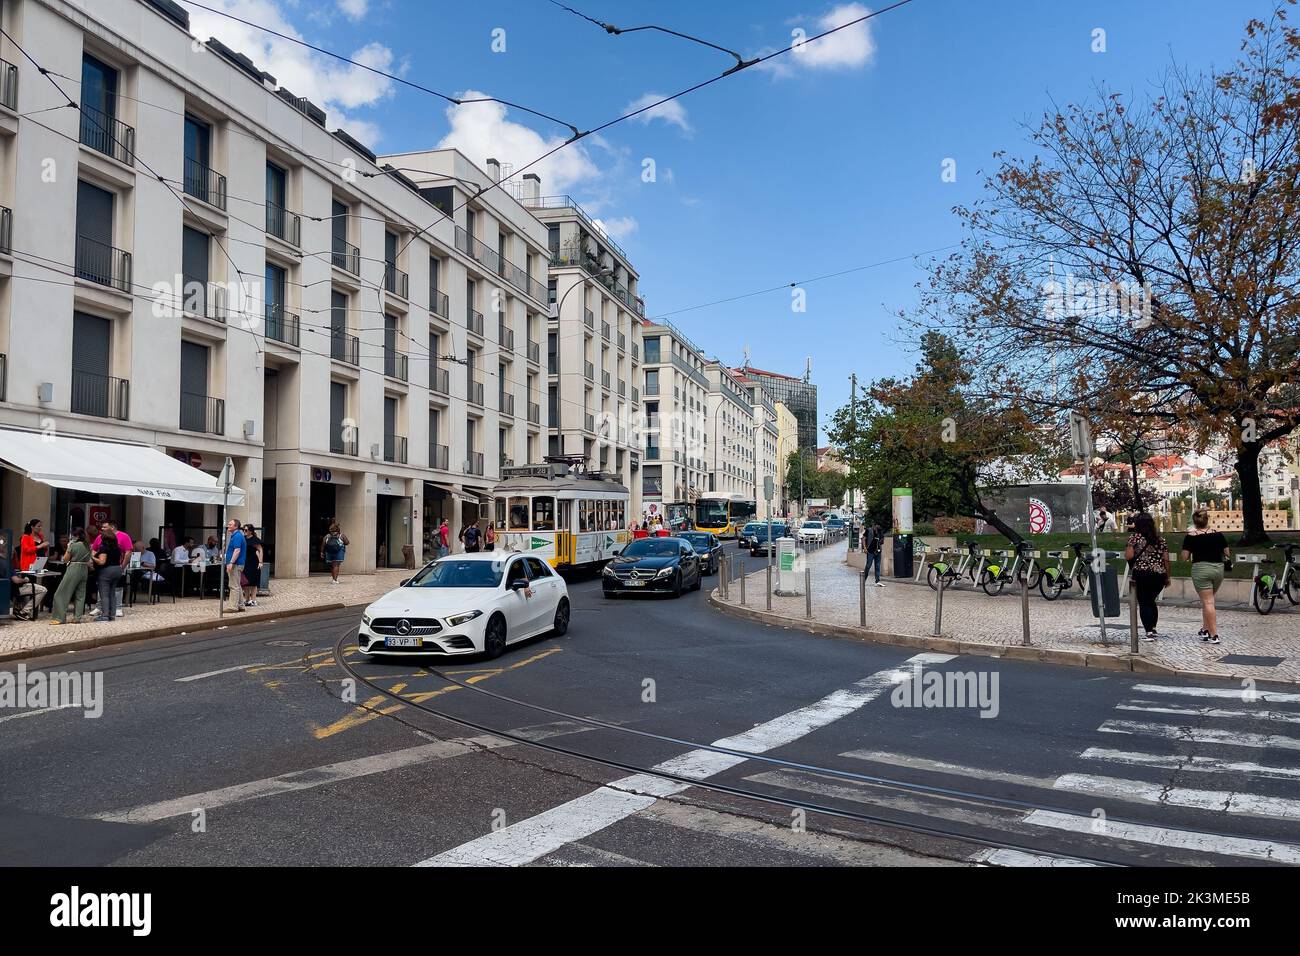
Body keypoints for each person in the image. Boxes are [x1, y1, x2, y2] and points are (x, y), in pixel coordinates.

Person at [1181, 510, 1229, 646]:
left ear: (1194, 522)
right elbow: (1227, 552)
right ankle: (1205, 629)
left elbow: (1184, 557)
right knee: (1209, 600)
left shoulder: (1190, 536)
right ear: (1207, 520)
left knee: (1208, 602)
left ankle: (1214, 634)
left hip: (1201, 569)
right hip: (1218, 569)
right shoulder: (1218, 534)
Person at [1125, 513, 1171, 642]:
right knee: (1151, 600)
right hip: (1159, 575)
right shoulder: (1160, 539)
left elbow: (1128, 556)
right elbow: (1166, 559)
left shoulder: (1134, 538)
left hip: (1141, 574)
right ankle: (1154, 628)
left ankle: (1149, 631)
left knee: (1144, 602)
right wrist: (1168, 576)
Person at [50, 529, 92, 625]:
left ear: (76, 536)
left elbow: (65, 559)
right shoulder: (88, 546)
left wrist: (69, 547)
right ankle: (77, 618)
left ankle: (59, 618)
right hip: (84, 569)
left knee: (61, 593)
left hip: (74, 568)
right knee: (80, 595)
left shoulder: (73, 545)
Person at [92, 524, 124, 622]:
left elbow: (102, 561)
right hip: (117, 569)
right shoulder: (117, 548)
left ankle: (105, 616)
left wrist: (93, 557)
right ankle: (112, 615)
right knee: (112, 593)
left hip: (106, 571)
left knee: (104, 594)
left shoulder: (104, 548)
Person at [224, 518, 246, 612]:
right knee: (237, 585)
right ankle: (241, 605)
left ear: (236, 526)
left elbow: (237, 550)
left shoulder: (237, 536)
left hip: (235, 564)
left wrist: (231, 563)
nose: (228, 526)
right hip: (237, 563)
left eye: (230, 524)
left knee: (233, 585)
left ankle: (233, 606)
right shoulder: (237, 535)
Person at [242, 524, 265, 607]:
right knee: (245, 582)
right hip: (245, 562)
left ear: (250, 531)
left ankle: (254, 600)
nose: (244, 531)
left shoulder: (254, 540)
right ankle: (247, 599)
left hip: (253, 561)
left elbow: (260, 550)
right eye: (243, 530)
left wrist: (260, 562)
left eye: (246, 530)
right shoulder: (243, 539)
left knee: (253, 582)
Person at [863, 522, 885, 586]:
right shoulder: (869, 530)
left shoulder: (880, 531)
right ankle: (863, 580)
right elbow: (864, 538)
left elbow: (882, 541)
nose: (877, 528)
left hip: (878, 551)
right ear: (874, 526)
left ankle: (877, 581)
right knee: (868, 566)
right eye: (877, 526)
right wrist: (864, 548)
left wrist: (881, 541)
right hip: (870, 551)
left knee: (877, 566)